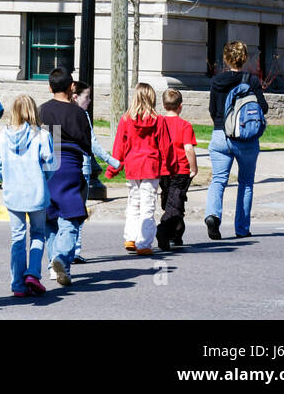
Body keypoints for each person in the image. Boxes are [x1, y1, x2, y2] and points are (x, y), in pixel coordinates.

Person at [0, 94, 54, 298]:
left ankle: (18, 284)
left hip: (13, 194)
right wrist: (43, 177)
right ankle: (33, 273)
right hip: (36, 192)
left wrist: (7, 178)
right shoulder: (42, 135)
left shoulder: (3, 136)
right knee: (37, 234)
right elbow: (50, 164)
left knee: (17, 238)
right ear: (34, 110)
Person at [205, 40, 268, 240]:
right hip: (246, 138)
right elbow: (263, 108)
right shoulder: (252, 80)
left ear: (225, 58)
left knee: (218, 180)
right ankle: (242, 228)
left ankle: (213, 216)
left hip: (220, 135)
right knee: (246, 183)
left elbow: (213, 110)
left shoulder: (217, 81)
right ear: (244, 58)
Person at [37, 67, 93, 287]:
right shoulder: (78, 113)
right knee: (70, 219)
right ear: (72, 87)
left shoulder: (41, 110)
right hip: (69, 165)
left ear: (50, 87)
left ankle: (55, 265)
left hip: (47, 166)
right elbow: (86, 144)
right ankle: (61, 258)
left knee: (50, 219)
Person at [105, 83, 172, 255]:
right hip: (150, 166)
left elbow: (119, 147)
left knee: (133, 203)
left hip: (133, 166)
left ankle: (130, 237)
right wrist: (168, 169)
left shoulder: (126, 119)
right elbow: (165, 147)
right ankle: (144, 243)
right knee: (148, 206)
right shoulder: (159, 120)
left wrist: (113, 169)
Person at [71, 80, 120, 263]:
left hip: (68, 168)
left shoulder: (67, 113)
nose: (89, 100)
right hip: (80, 168)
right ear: (76, 97)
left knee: (70, 210)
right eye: (87, 97)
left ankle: (70, 250)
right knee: (78, 210)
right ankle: (73, 251)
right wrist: (111, 160)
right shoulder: (81, 115)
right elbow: (92, 143)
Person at [156, 89, 198, 251]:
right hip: (180, 169)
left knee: (172, 201)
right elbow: (188, 148)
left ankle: (176, 234)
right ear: (180, 106)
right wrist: (193, 168)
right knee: (175, 203)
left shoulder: (158, 123)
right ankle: (164, 229)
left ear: (163, 105)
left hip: (163, 168)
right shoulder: (185, 125)